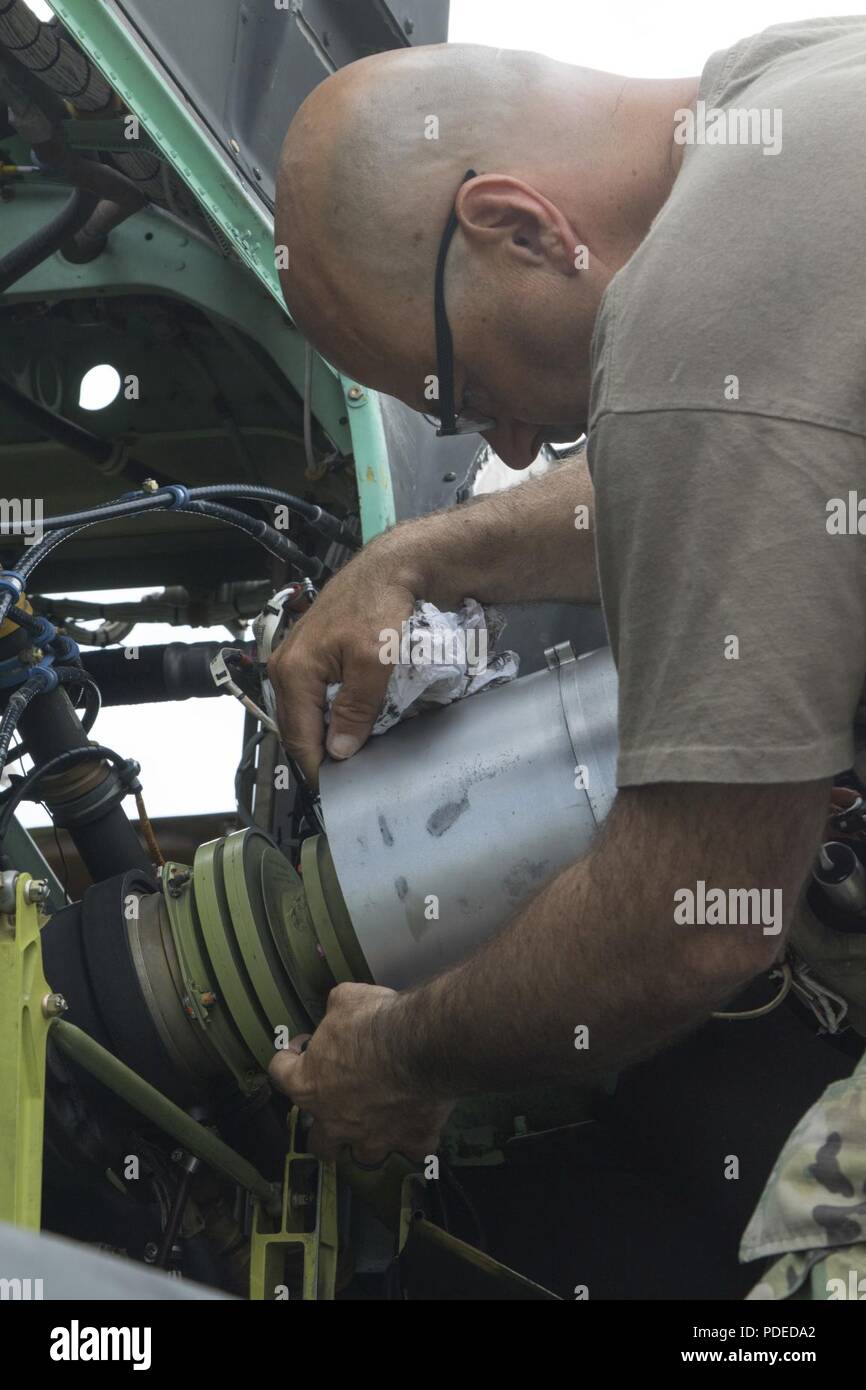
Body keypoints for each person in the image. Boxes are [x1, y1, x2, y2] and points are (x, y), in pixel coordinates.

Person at [267, 24, 866, 1185]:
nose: (514, 440)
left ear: (518, 225)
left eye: (467, 389)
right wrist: (424, 559)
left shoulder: (700, 306)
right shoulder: (794, 87)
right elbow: (739, 447)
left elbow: (700, 917)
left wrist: (397, 1051)